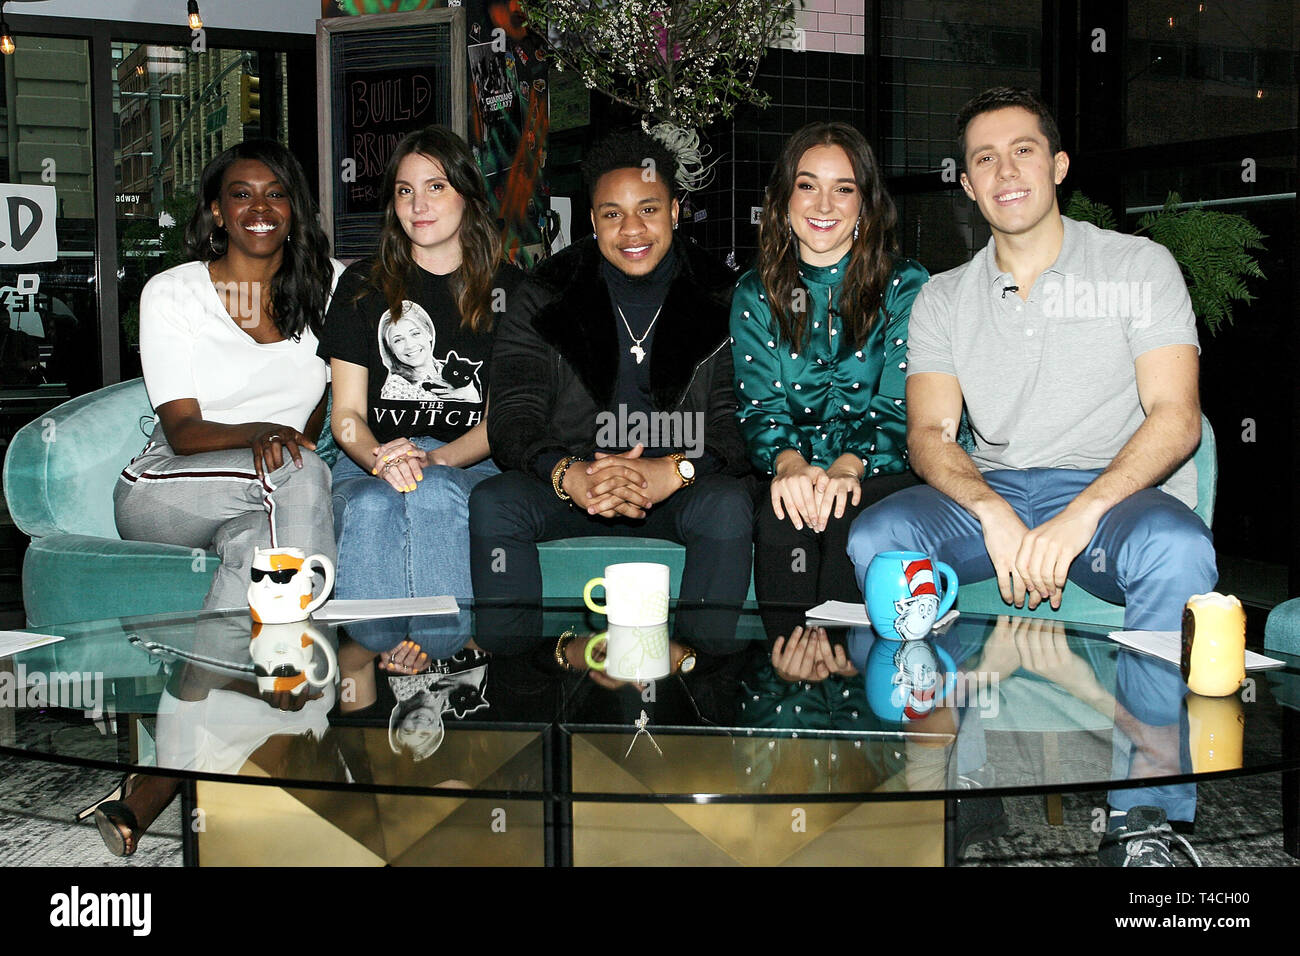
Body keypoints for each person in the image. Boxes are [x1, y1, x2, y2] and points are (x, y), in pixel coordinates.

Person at [845, 87, 1216, 866]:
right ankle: (943, 781)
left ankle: (1143, 817)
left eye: (1023, 151)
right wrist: (990, 511)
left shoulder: (1137, 266)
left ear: (1059, 165)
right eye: (984, 159)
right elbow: (929, 436)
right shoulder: (943, 297)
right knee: (882, 538)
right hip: (1000, 488)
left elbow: (1176, 417)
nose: (1005, 171)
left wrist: (1079, 517)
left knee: (1179, 552)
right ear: (967, 184)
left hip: (1115, 496)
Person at [103, 138, 344, 856]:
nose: (259, 208)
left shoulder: (332, 287)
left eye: (276, 193)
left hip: (260, 500)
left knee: (255, 555)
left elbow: (329, 404)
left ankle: (160, 782)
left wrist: (293, 441)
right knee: (301, 474)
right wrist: (267, 434)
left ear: (296, 208)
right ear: (216, 210)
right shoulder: (174, 292)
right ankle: (294, 671)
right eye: (241, 194)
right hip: (165, 488)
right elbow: (182, 431)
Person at [469, 127, 754, 643]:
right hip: (578, 479)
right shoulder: (546, 294)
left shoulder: (722, 295)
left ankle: (700, 667)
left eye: (648, 209)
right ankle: (519, 675)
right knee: (495, 501)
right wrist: (568, 473)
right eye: (612, 214)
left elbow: (737, 421)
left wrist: (675, 470)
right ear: (593, 220)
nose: (631, 229)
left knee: (728, 505)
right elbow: (513, 416)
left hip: (676, 484)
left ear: (675, 211)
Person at [730, 121, 928, 645]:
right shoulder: (754, 292)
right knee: (783, 516)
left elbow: (901, 406)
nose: (823, 204)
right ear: (783, 200)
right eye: (807, 185)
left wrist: (847, 466)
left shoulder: (905, 283)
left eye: (843, 188)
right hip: (793, 465)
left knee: (846, 512)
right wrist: (791, 466)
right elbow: (759, 410)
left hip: (885, 466)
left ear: (865, 204)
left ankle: (850, 678)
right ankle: (787, 674)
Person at [318, 126, 522, 605]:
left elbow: (499, 422)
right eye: (405, 191)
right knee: (371, 504)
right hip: (371, 459)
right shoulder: (362, 285)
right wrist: (382, 460)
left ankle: (441, 648)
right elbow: (346, 416)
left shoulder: (510, 291)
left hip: (473, 463)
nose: (418, 205)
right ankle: (373, 645)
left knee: (433, 490)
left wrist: (432, 461)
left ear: (467, 195)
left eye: (436, 187)